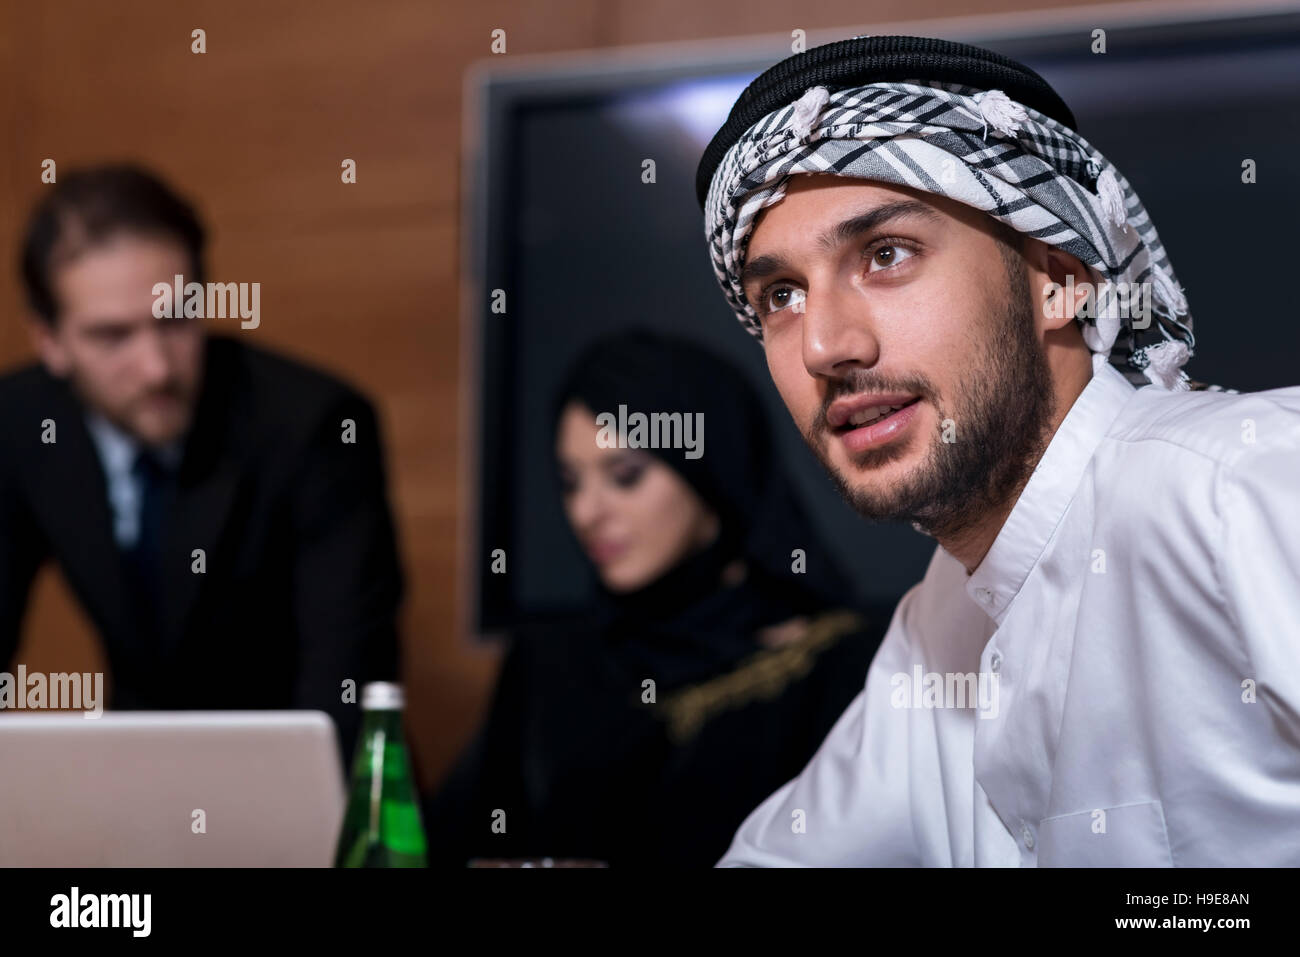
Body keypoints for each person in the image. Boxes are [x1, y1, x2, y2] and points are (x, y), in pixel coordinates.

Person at [695, 35, 1300, 866]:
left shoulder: (1239, 484)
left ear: (1058, 278)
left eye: (886, 255)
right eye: (782, 296)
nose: (824, 346)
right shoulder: (941, 623)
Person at [422, 330, 889, 867]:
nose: (586, 512)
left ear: (714, 473)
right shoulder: (550, 660)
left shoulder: (839, 668)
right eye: (571, 482)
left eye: (625, 476)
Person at [0, 164, 404, 760]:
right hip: (137, 781)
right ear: (50, 343)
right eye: (113, 337)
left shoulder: (314, 427)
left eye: (176, 320)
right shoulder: (20, 424)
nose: (157, 368)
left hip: (308, 786)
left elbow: (348, 685)